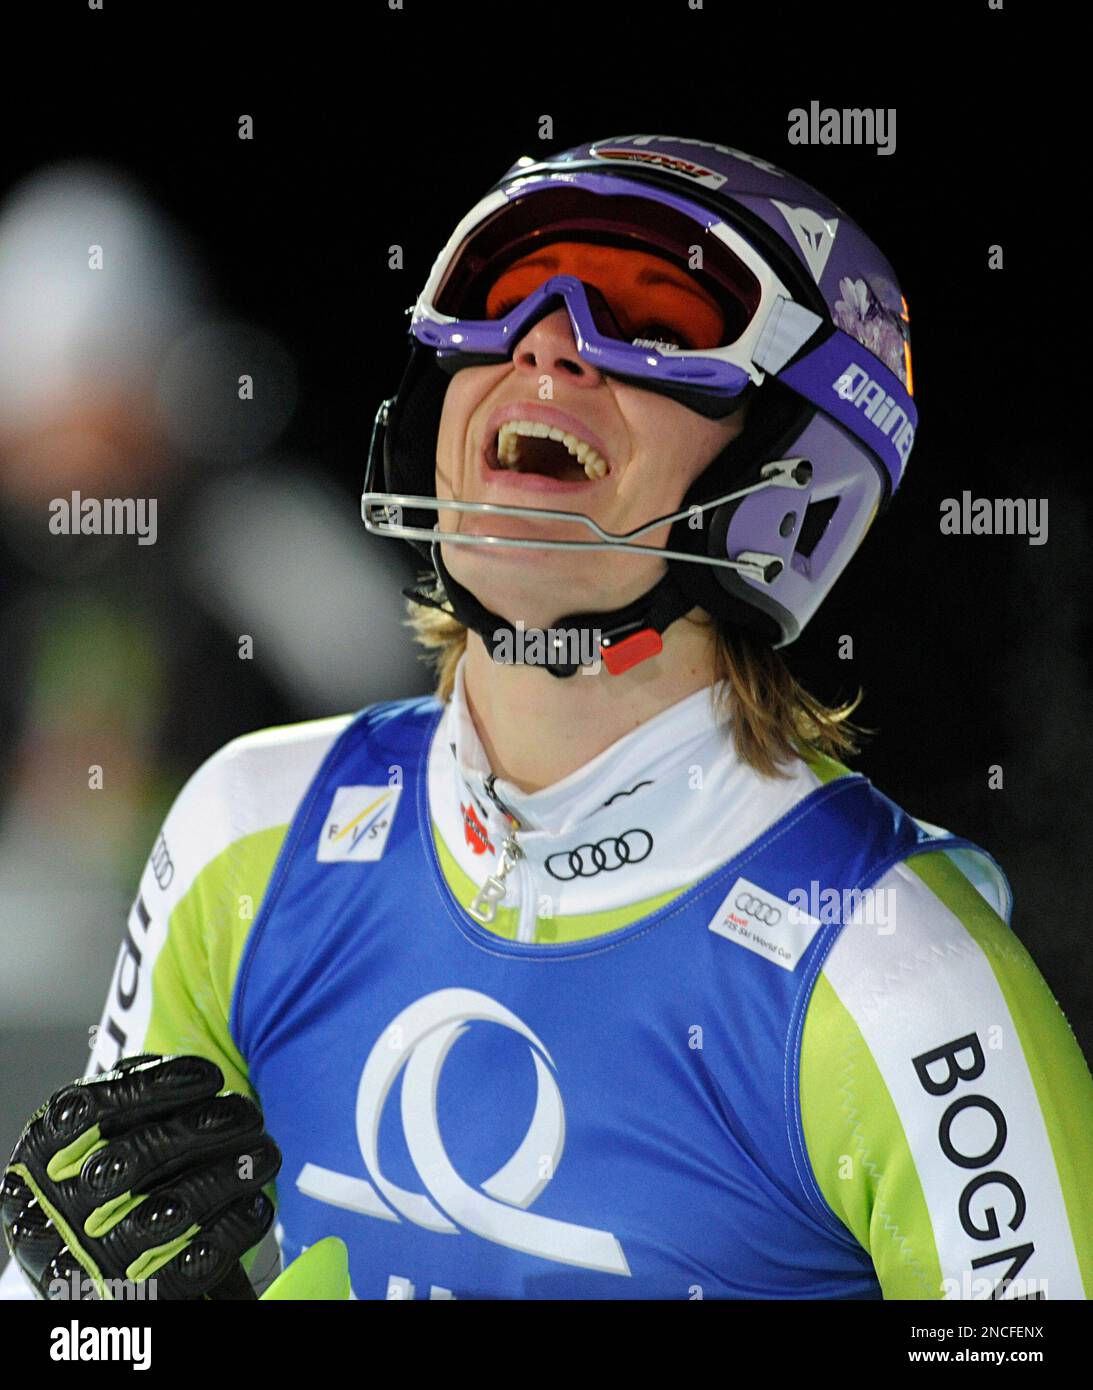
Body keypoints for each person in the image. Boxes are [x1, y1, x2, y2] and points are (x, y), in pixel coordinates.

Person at [3, 134, 1091, 1301]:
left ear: (795, 479)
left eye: (657, 328)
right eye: (502, 305)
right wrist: (103, 1324)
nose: (546, 346)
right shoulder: (248, 839)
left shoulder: (894, 970)